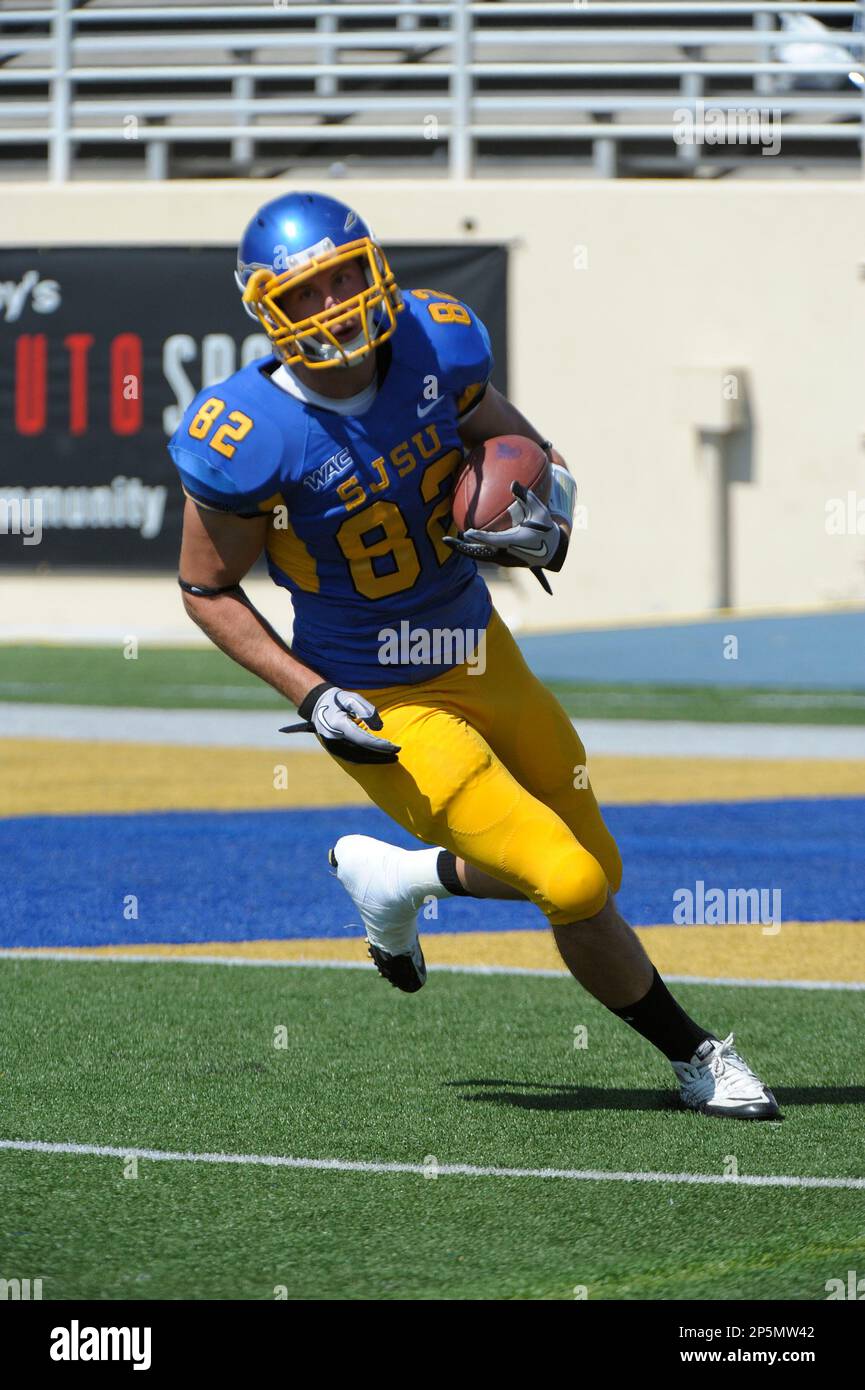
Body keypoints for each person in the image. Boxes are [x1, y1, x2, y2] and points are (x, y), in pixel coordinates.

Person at [168, 191, 778, 1120]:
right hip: (376, 695)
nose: (333, 306)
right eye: (306, 291)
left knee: (597, 872)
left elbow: (516, 443)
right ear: (265, 309)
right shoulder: (246, 433)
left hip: (477, 647)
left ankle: (400, 875)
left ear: (375, 267)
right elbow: (207, 587)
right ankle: (697, 1058)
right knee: (567, 880)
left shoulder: (435, 342)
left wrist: (535, 500)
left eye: (343, 277)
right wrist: (310, 689)